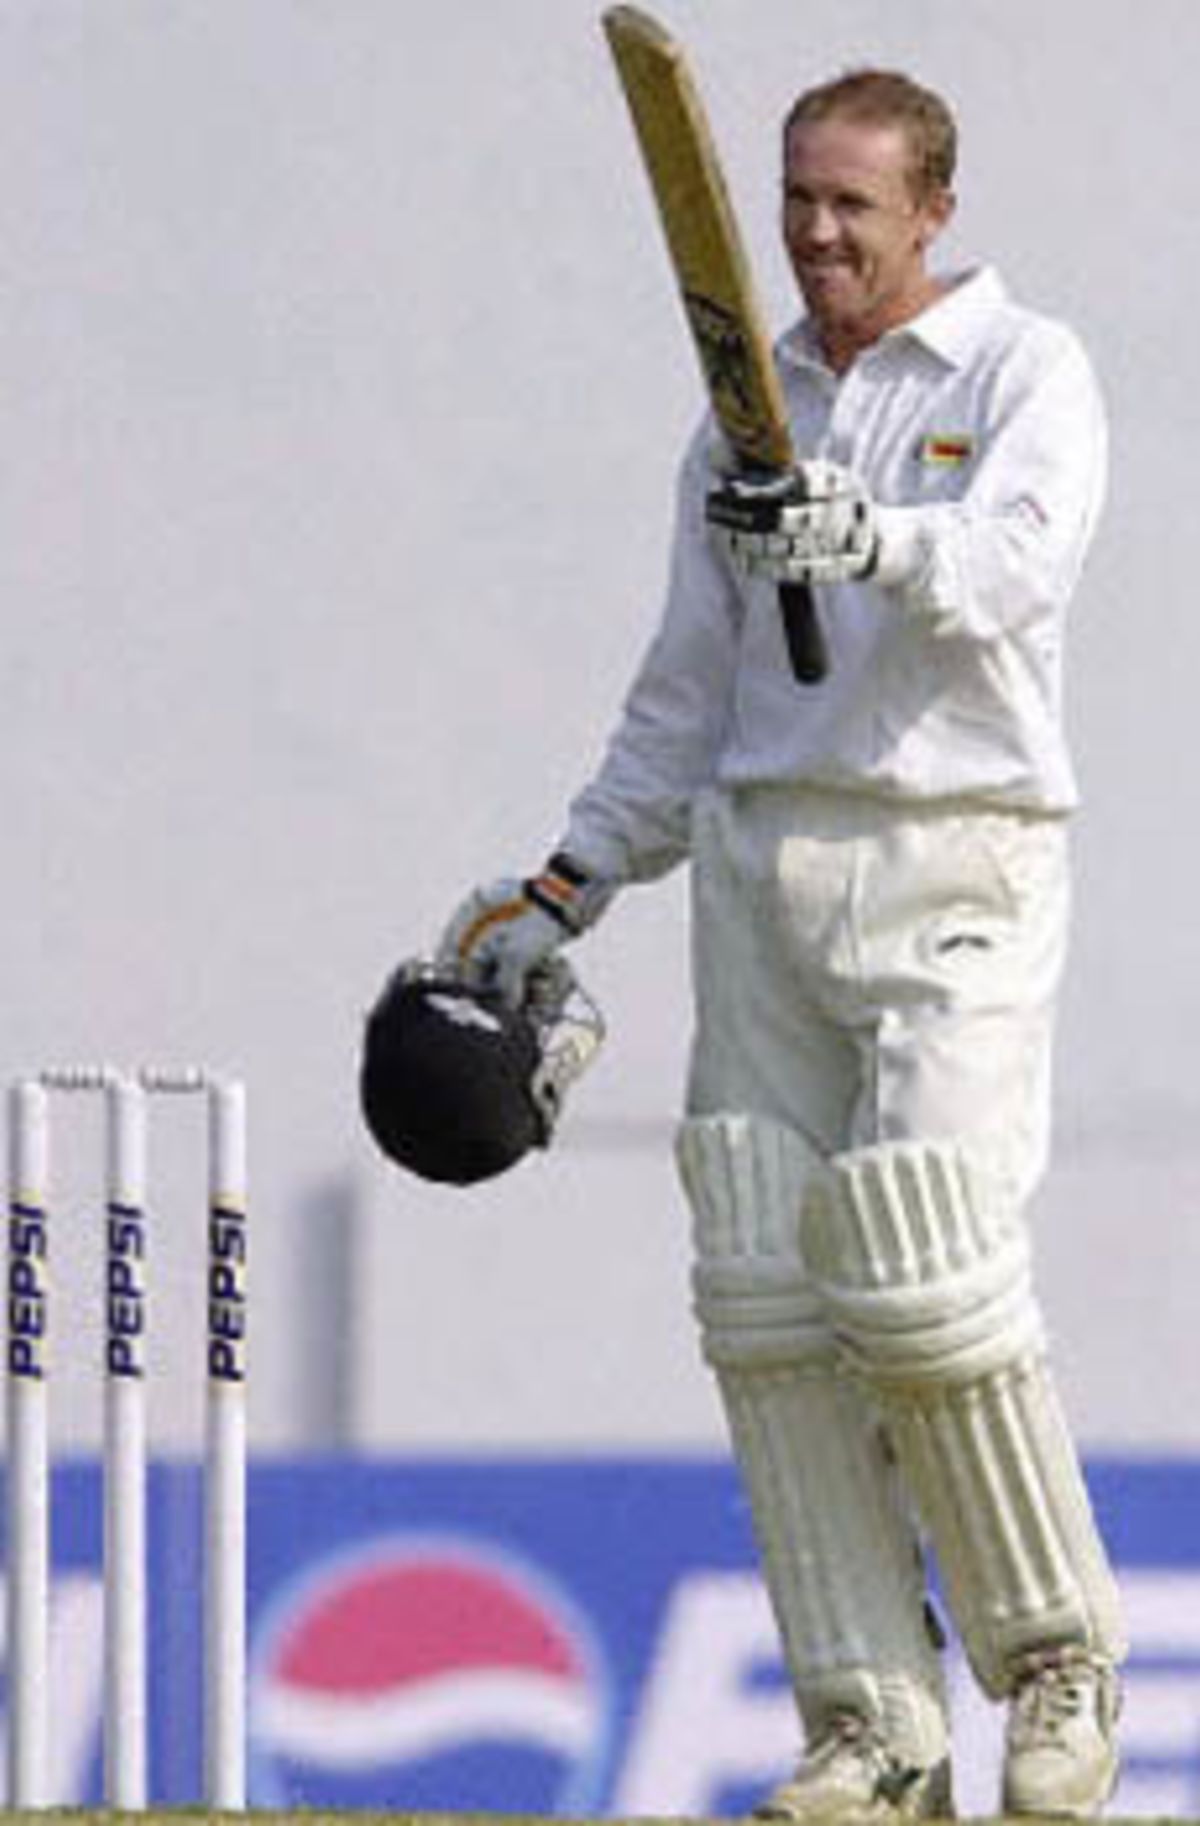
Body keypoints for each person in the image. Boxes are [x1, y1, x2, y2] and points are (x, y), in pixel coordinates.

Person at [436, 68, 1124, 1820]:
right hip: (763, 866)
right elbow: (687, 692)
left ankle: (1055, 1670)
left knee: (924, 1263)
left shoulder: (1023, 372)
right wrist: (571, 878)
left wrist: (871, 534)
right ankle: (873, 1725)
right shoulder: (743, 416)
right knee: (768, 1291)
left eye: (855, 207)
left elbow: (1019, 572)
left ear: (933, 212)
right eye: (799, 201)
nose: (818, 234)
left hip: (955, 854)